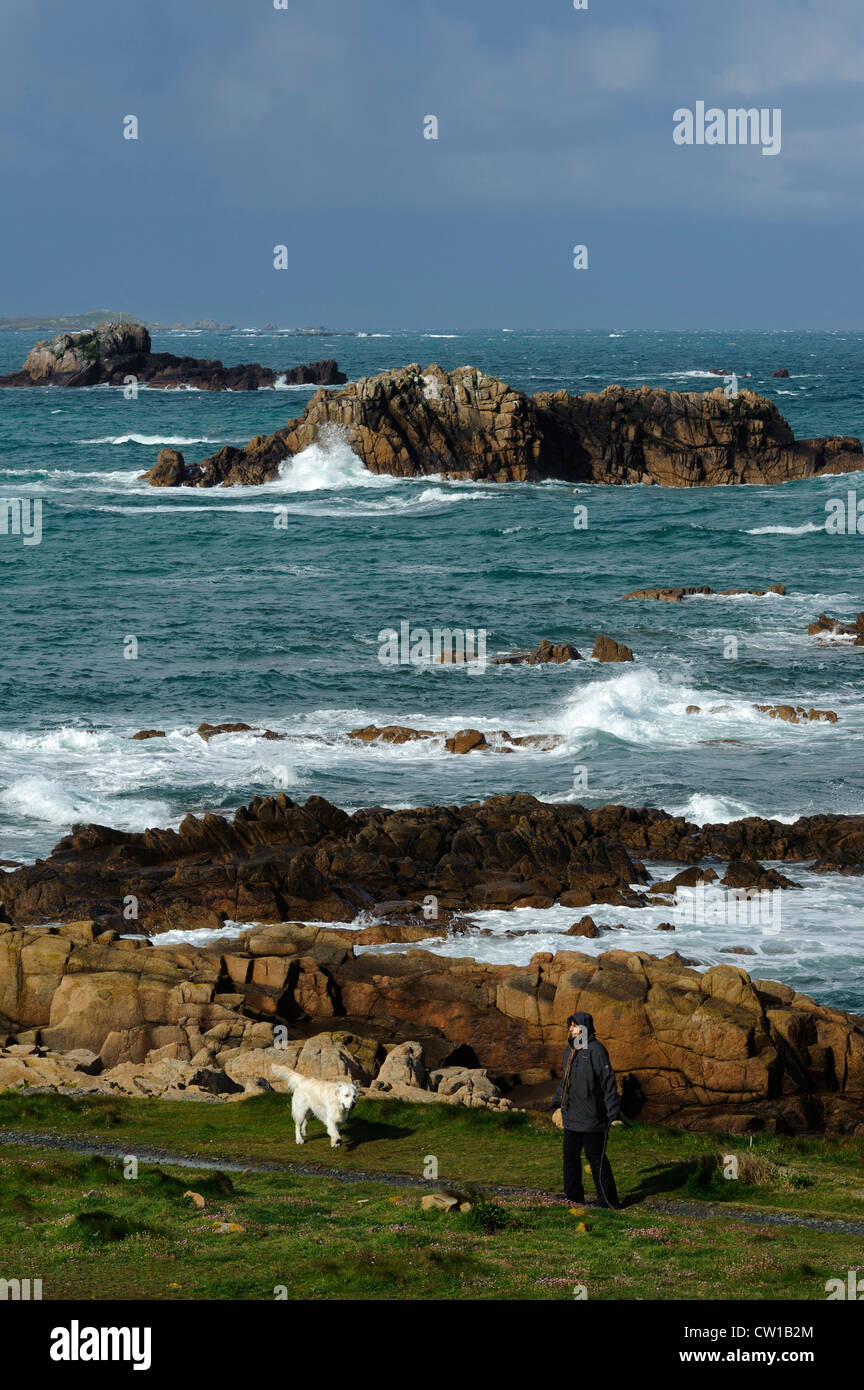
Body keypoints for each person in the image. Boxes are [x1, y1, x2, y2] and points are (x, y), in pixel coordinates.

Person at [550, 1011, 623, 1209]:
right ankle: (573, 1197)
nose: (571, 1029)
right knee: (570, 1157)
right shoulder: (570, 1050)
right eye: (570, 1026)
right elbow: (565, 1079)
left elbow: (608, 1082)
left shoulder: (597, 1050)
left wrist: (613, 1111)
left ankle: (608, 1200)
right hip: (572, 1115)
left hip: (592, 1118)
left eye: (574, 1025)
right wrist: (557, 1101)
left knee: (596, 1160)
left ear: (585, 1027)